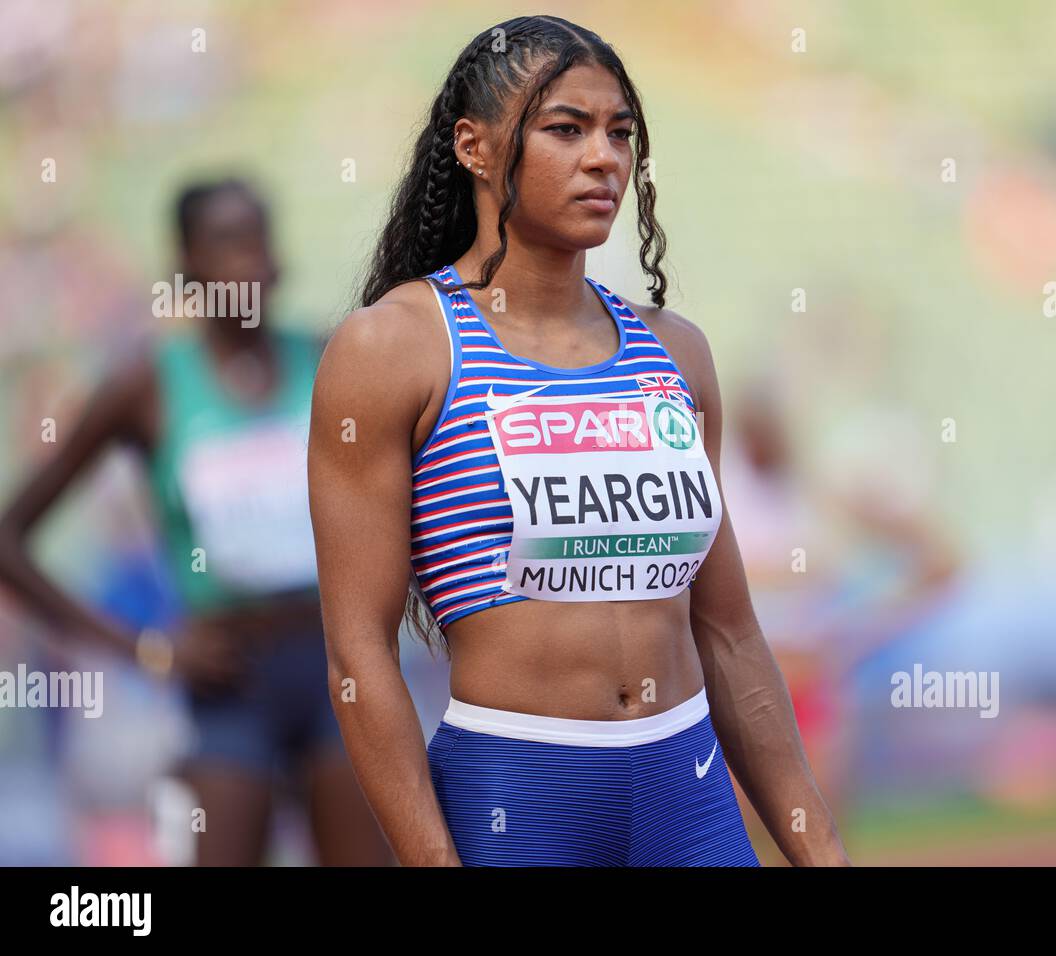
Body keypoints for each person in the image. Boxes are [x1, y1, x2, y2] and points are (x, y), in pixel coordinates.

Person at [308, 15, 850, 867]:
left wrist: (820, 852)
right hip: (517, 799)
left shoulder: (677, 353)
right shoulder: (394, 347)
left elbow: (733, 634)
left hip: (689, 789)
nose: (605, 158)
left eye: (620, 133)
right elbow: (358, 649)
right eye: (566, 129)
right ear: (475, 147)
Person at [0, 177, 391, 866]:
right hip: (228, 681)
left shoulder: (332, 359)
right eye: (223, 243)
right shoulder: (147, 385)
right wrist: (142, 649)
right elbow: (11, 540)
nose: (245, 263)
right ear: (184, 269)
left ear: (279, 258)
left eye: (257, 240)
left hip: (339, 669)